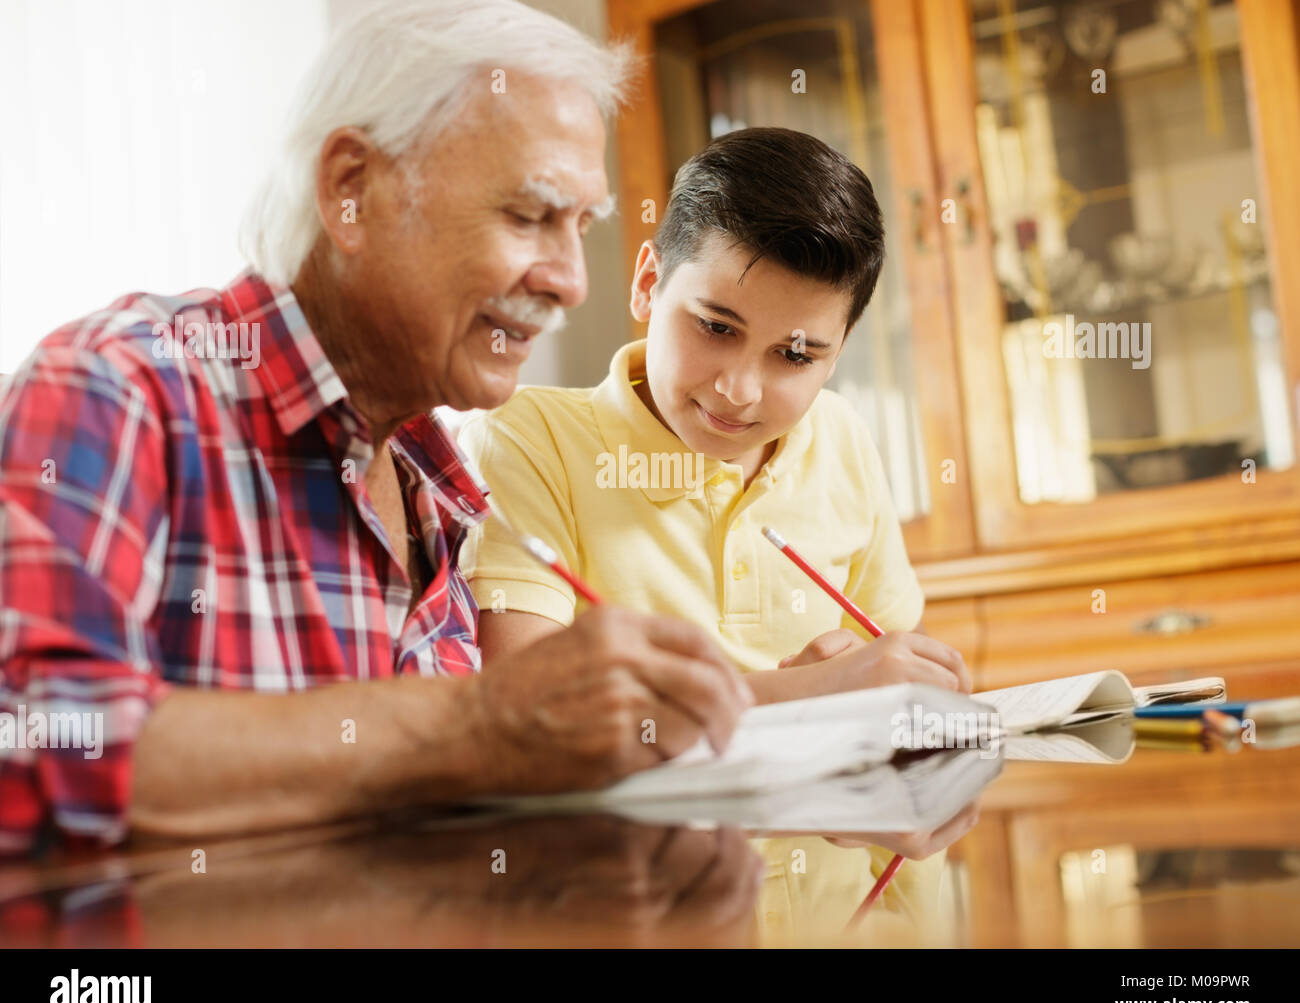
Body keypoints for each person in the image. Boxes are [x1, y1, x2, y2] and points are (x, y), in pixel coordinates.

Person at [0, 0, 753, 855]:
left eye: (582, 226)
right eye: (527, 214)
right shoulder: (120, 386)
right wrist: (477, 723)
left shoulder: (442, 488)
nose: (573, 282)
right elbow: (33, 743)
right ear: (351, 190)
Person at [458, 127, 976, 927]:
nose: (740, 389)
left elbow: (892, 703)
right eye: (715, 326)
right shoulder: (529, 439)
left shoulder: (841, 440)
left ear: (837, 356)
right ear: (646, 282)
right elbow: (532, 729)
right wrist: (811, 695)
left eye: (796, 355)